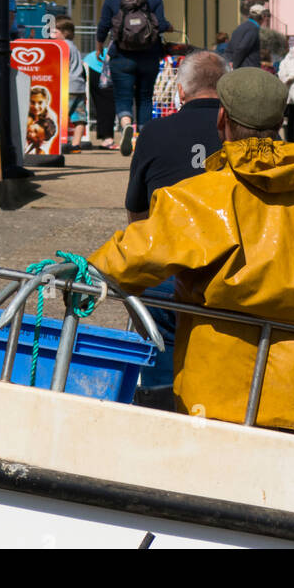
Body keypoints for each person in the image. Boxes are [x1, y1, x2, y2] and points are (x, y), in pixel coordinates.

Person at [91, 68, 294, 440]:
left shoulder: (202, 195)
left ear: (222, 119)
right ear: (279, 122)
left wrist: (81, 271)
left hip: (226, 399)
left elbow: (133, 256)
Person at [124, 49, 227, 404]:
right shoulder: (239, 134)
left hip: (166, 270)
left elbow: (136, 212)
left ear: (181, 92)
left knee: (160, 372)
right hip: (224, 272)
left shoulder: (154, 133)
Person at [96, 0, 172, 157]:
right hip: (149, 54)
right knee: (145, 97)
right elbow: (161, 24)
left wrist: (99, 45)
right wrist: (168, 26)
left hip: (122, 55)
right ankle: (144, 139)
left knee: (123, 96)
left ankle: (126, 123)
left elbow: (104, 24)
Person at [56, 17, 89, 151]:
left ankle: (60, 142)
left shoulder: (62, 46)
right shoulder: (74, 47)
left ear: (65, 32)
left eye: (55, 32)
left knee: (61, 115)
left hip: (67, 86)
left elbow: (61, 66)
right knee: (79, 118)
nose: (52, 35)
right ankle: (76, 144)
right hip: (79, 86)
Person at [83, 45, 115, 147]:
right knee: (106, 103)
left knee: (104, 103)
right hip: (96, 67)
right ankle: (107, 139)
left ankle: (106, 137)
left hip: (92, 63)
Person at [225, 3, 267, 69]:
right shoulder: (253, 28)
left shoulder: (241, 27)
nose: (266, 19)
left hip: (238, 67)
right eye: (265, 16)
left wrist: (231, 62)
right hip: (248, 68)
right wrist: (235, 65)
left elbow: (230, 48)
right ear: (261, 16)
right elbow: (243, 47)